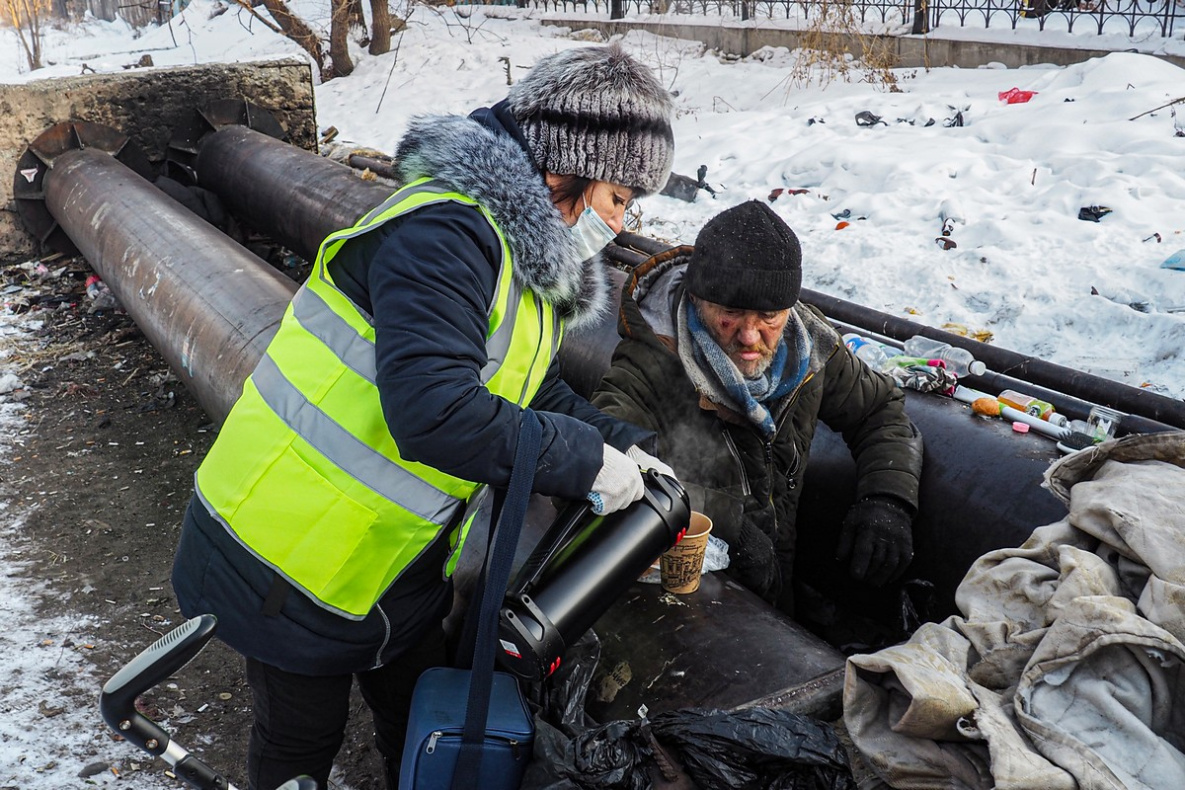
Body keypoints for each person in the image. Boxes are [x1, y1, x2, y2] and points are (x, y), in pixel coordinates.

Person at [171, 43, 675, 790]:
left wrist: (627, 446)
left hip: (390, 561)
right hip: (285, 553)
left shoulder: (520, 253)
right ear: (568, 166)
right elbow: (435, 414)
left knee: (417, 715)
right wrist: (576, 457)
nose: (621, 222)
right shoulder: (444, 233)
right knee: (301, 743)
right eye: (621, 199)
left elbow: (524, 389)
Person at [592, 200, 923, 622]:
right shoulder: (649, 363)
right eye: (730, 313)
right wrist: (729, 521)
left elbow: (880, 408)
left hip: (776, 584)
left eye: (769, 316)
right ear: (697, 299)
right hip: (685, 597)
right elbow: (604, 466)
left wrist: (887, 498)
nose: (751, 336)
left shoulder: (811, 350)